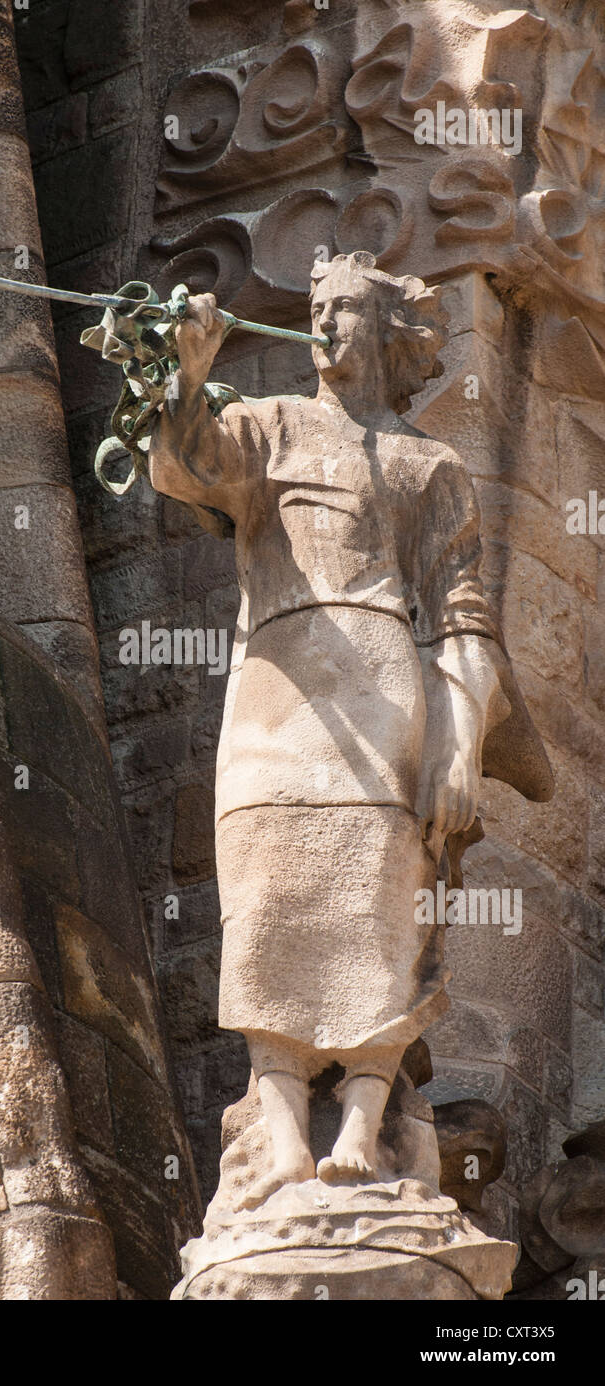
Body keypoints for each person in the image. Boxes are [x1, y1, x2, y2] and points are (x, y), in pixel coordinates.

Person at [148, 250, 551, 1210]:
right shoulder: (270, 428)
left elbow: (462, 617)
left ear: (387, 336)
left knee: (381, 902)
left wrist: (458, 742)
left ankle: (364, 1127)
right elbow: (183, 463)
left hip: (383, 694)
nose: (323, 326)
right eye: (316, 309)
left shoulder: (427, 464)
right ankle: (282, 1135)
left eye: (344, 313)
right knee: (268, 896)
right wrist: (185, 373)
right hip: (274, 699)